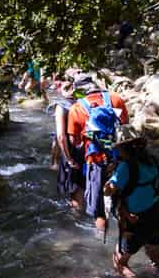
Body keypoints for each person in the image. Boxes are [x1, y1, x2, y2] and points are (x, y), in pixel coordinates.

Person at [55, 73, 129, 235]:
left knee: (99, 210)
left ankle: (99, 242)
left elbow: (74, 141)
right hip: (118, 158)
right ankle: (124, 238)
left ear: (80, 90)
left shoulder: (77, 108)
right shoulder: (116, 99)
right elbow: (125, 127)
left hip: (94, 160)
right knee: (119, 201)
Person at [104, 124, 159, 278]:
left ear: (123, 148)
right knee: (155, 256)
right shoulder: (153, 161)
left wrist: (108, 178)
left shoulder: (125, 167)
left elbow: (108, 191)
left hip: (136, 221)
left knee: (120, 263)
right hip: (157, 215)